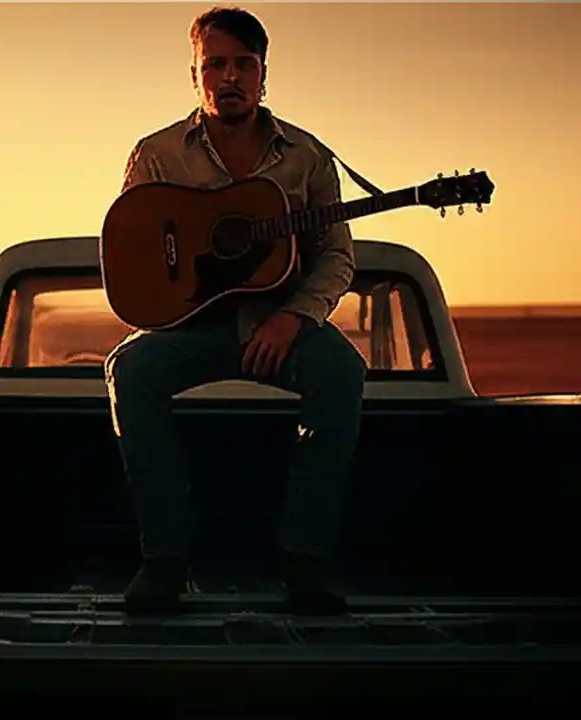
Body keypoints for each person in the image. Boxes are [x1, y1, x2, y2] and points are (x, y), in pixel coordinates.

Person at [104, 5, 367, 616]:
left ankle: (306, 562)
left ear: (263, 74)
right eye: (215, 64)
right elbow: (132, 245)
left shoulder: (307, 156)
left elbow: (336, 255)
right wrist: (177, 289)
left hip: (283, 320)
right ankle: (163, 561)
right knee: (130, 370)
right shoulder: (158, 153)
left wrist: (294, 318)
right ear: (195, 74)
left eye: (244, 65)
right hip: (192, 325)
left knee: (342, 371)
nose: (230, 77)